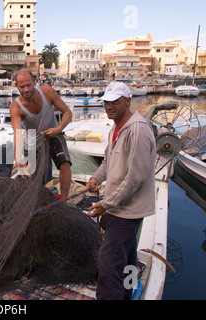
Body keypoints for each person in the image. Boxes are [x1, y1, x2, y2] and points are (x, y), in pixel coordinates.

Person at [84, 81, 157, 300]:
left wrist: (106, 204)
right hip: (119, 207)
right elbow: (108, 160)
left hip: (127, 210)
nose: (109, 107)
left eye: (115, 102)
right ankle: (128, 292)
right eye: (106, 102)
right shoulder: (116, 128)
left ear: (128, 101)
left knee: (108, 261)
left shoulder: (138, 130)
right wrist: (97, 178)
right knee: (128, 257)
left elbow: (135, 178)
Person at [9, 69, 72, 202]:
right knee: (31, 177)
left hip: (53, 134)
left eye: (28, 85)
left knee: (64, 163)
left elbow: (67, 112)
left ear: (34, 82)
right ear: (16, 86)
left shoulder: (47, 92)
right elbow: (18, 134)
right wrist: (18, 159)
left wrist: (58, 129)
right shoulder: (16, 107)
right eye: (22, 87)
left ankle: (64, 201)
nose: (26, 89)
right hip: (33, 140)